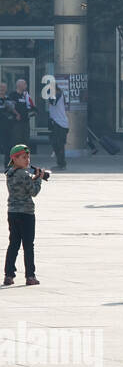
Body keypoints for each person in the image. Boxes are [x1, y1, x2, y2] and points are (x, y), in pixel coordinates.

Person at [4, 144, 44, 286]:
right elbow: (34, 191)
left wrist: (33, 178)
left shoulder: (10, 173)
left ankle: (9, 275)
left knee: (13, 243)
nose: (27, 160)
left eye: (28, 157)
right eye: (23, 157)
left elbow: (22, 186)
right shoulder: (24, 174)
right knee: (28, 245)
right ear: (14, 158)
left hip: (13, 212)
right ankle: (30, 276)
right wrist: (38, 178)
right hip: (26, 213)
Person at [46, 83, 69, 170]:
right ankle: (60, 162)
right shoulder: (55, 94)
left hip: (61, 124)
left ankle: (62, 164)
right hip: (55, 123)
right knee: (55, 143)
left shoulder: (58, 94)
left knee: (59, 144)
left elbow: (53, 102)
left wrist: (49, 94)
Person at [0, 84, 15, 158]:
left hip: (6, 125)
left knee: (7, 144)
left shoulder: (9, 99)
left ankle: (7, 163)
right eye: (1, 87)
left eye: (4, 88)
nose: (2, 89)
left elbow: (12, 110)